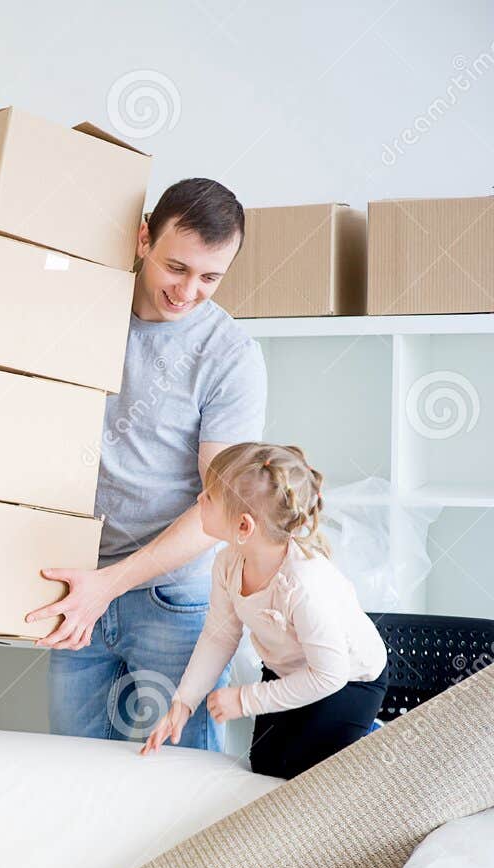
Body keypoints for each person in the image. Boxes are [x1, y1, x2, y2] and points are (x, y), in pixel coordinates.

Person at [27, 178, 268, 751]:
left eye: (210, 278)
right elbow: (20, 446)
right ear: (143, 240)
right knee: (71, 765)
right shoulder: (79, 319)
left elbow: (221, 506)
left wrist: (107, 586)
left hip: (174, 597)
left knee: (182, 780)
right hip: (79, 584)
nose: (187, 291)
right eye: (176, 268)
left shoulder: (230, 356)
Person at [141, 443, 388, 777]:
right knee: (267, 766)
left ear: (244, 526)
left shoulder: (303, 584)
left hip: (348, 678)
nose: (199, 500)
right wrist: (184, 701)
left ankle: (372, 734)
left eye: (210, 497)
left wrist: (245, 700)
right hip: (291, 668)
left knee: (308, 775)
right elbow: (220, 635)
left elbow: (329, 675)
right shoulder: (227, 563)